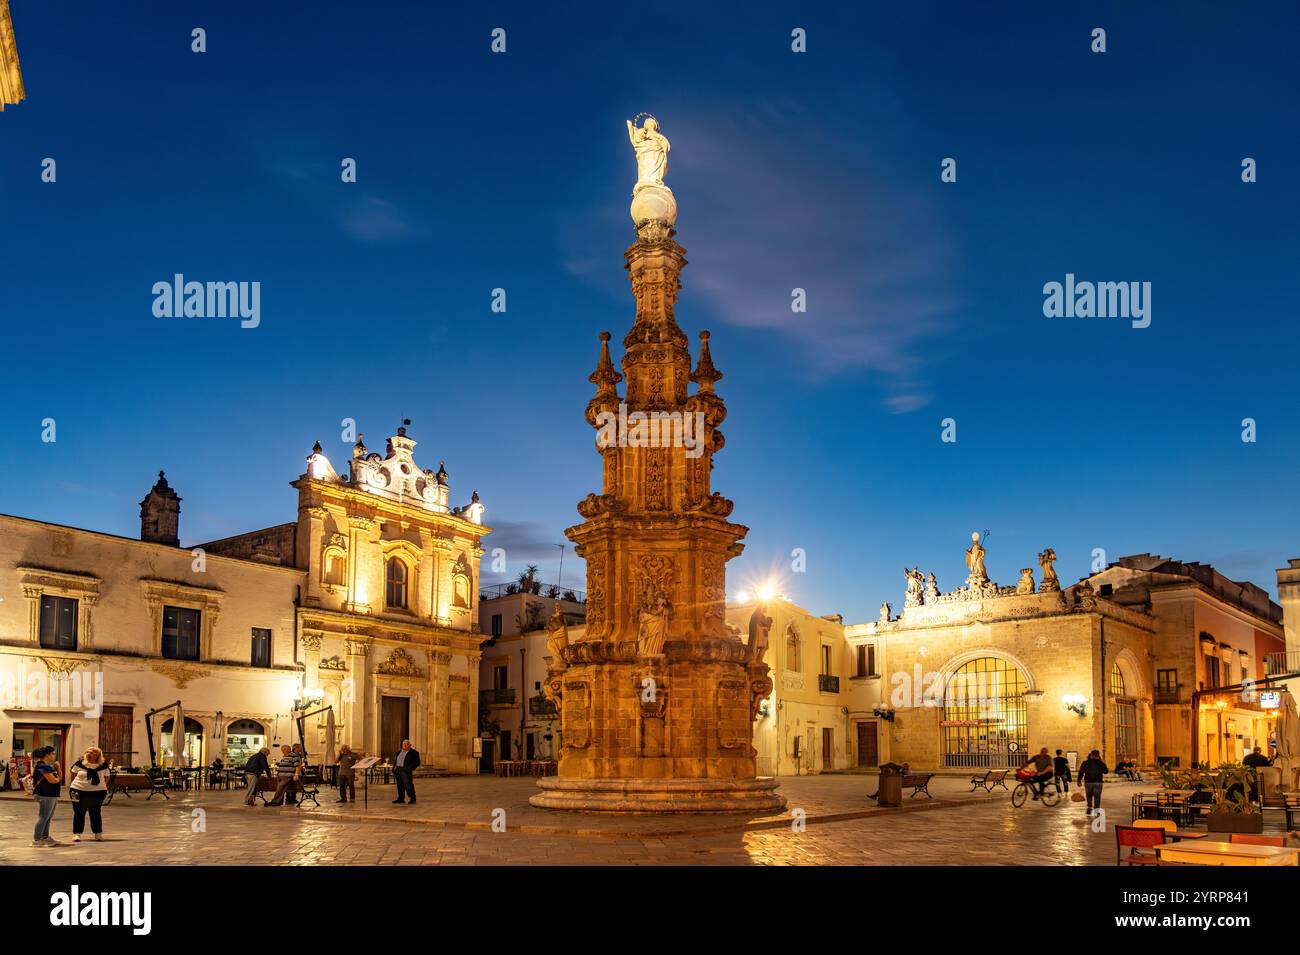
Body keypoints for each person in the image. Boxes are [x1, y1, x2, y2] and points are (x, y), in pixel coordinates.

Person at [68, 746, 110, 843]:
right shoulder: (80, 764)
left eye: (92, 752)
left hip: (98, 792)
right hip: (78, 790)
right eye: (87, 751)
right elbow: (73, 775)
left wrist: (99, 786)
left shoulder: (103, 765)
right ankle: (77, 834)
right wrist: (78, 785)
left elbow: (107, 777)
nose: (89, 753)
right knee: (79, 812)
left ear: (98, 754)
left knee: (95, 812)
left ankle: (97, 833)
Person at [31, 746, 62, 847]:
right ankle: (37, 840)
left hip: (51, 794)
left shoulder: (47, 766)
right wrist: (58, 774)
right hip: (45, 794)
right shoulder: (43, 767)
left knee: (48, 817)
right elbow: (53, 780)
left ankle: (45, 837)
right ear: (47, 755)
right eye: (52, 753)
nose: (54, 755)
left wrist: (58, 770)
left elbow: (57, 779)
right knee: (43, 817)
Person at [1076, 749, 1109, 814]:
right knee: (1097, 796)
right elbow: (1106, 772)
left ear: (1091, 755)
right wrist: (1103, 763)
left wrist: (1079, 780)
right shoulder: (1101, 763)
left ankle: (1089, 807)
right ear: (1098, 755)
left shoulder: (1085, 763)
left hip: (1088, 782)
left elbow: (1081, 772)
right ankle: (1096, 810)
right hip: (1098, 782)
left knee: (1089, 795)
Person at [392, 739, 420, 804]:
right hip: (398, 770)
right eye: (403, 744)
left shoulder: (414, 753)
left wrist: (408, 768)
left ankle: (412, 798)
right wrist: (394, 769)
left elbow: (417, 762)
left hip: (406, 771)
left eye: (406, 744)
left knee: (408, 785)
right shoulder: (399, 752)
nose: (404, 745)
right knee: (400, 785)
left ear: (409, 745)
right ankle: (401, 798)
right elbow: (396, 760)